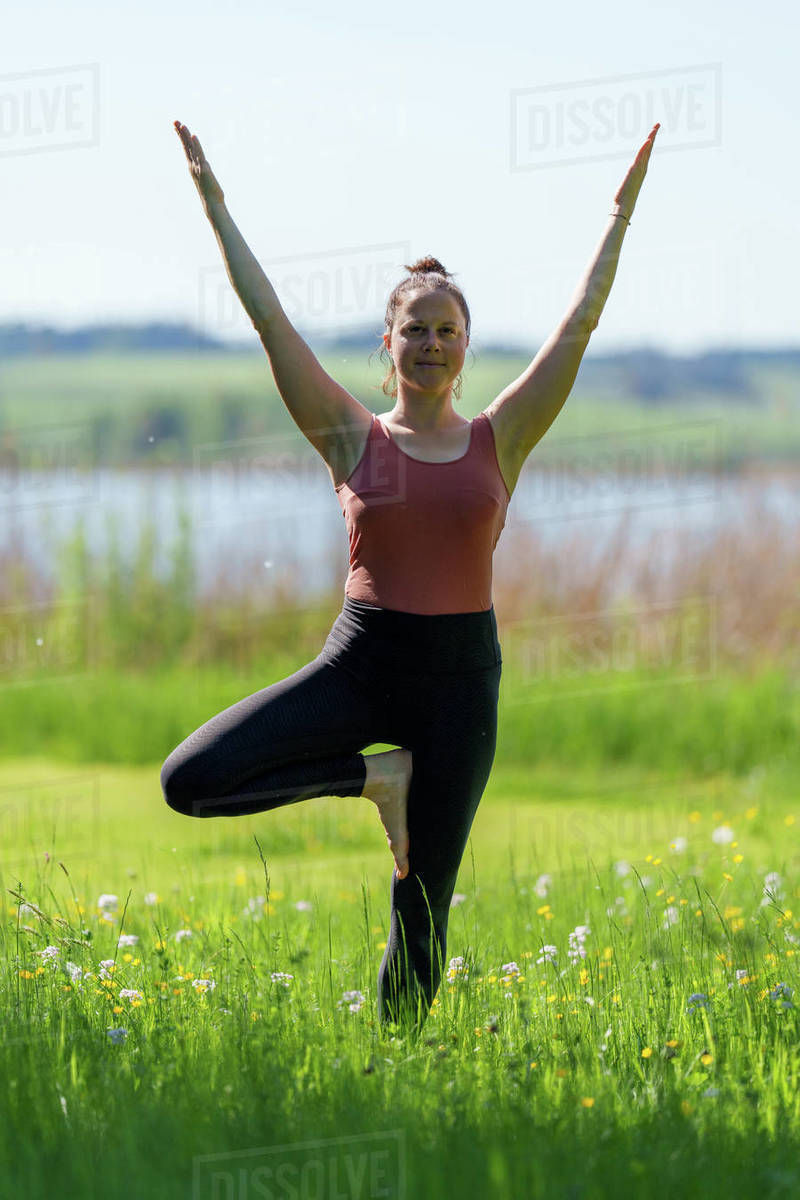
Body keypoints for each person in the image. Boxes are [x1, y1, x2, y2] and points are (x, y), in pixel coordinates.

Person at [160, 118, 660, 1032]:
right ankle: (371, 778)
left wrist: (620, 217)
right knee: (192, 780)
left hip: (460, 684)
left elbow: (582, 321)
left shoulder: (499, 437)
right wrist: (217, 207)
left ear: (465, 345)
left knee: (422, 919)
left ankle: (394, 1080)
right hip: (361, 666)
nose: (431, 342)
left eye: (447, 329)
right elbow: (271, 320)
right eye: (414, 330)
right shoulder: (351, 435)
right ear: (387, 345)